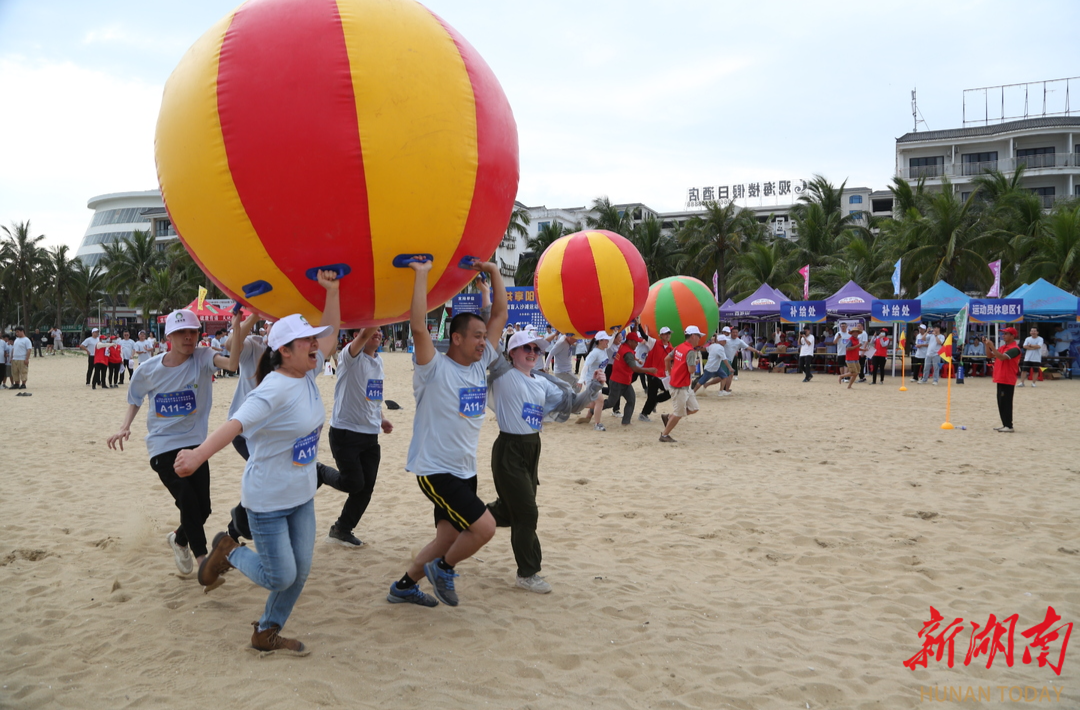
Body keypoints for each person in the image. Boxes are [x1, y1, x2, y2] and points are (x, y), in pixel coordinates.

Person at [173, 273, 340, 654]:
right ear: (285, 351)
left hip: (301, 494)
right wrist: (197, 456)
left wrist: (333, 292)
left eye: (314, 339)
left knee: (300, 572)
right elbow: (234, 425)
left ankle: (266, 631)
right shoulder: (273, 389)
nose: (316, 345)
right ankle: (228, 550)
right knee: (280, 576)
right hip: (268, 500)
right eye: (307, 340)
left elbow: (331, 336)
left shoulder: (307, 370)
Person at [386, 255, 507, 609]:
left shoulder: (480, 365)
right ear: (456, 338)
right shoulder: (433, 368)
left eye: (485, 337)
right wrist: (421, 274)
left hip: (465, 469)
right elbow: (418, 327)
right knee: (484, 528)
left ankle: (404, 587)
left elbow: (499, 315)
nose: (484, 342)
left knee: (447, 538)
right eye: (477, 336)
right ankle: (444, 569)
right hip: (436, 469)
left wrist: (494, 272)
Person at [107, 308, 241, 579]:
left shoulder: (203, 358)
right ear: (169, 336)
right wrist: (124, 426)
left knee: (203, 508)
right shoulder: (148, 369)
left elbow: (232, 364)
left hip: (195, 445)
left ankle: (179, 540)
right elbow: (135, 398)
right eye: (181, 332)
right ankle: (203, 559)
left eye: (193, 332)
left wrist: (237, 324)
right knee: (187, 499)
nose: (188, 337)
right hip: (162, 446)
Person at [486, 331, 604, 593]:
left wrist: (594, 386)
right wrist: (488, 306)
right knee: (527, 513)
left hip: (532, 448)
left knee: (510, 510)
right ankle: (527, 573)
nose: (532, 352)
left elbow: (573, 405)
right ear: (511, 353)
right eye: (526, 348)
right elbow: (491, 339)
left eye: (536, 349)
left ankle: (465, 520)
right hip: (508, 449)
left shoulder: (542, 381)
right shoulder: (503, 373)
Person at [325, 327, 393, 547]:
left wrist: (381, 418)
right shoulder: (350, 356)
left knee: (366, 488)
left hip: (370, 435)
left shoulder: (378, 361)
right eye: (373, 329)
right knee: (353, 483)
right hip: (345, 432)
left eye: (380, 330)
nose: (378, 332)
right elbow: (365, 334)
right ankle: (320, 472)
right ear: (356, 336)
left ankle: (342, 528)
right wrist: (377, 317)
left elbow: (374, 395)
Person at [659, 326, 703, 442]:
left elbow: (667, 359)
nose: (699, 338)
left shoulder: (679, 347)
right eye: (698, 336)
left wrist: (670, 372)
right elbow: (691, 370)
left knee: (694, 408)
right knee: (679, 413)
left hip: (681, 384)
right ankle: (664, 435)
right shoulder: (690, 351)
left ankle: (669, 417)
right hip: (680, 386)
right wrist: (694, 363)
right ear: (693, 336)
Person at [604, 331, 655, 426]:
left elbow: (632, 335)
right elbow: (635, 368)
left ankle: (626, 422)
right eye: (635, 342)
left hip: (625, 381)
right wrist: (649, 370)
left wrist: (635, 325)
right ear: (630, 341)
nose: (637, 344)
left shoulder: (623, 345)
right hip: (618, 381)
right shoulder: (627, 352)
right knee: (610, 403)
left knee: (631, 400)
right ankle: (593, 409)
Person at [983, 327, 1022, 432]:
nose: (1003, 335)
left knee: (1006, 403)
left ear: (1012, 336)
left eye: (1006, 334)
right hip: (1000, 377)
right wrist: (987, 345)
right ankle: (1005, 424)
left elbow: (1001, 357)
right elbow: (989, 355)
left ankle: (1009, 425)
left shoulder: (1015, 349)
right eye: (1003, 333)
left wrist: (992, 346)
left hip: (1007, 378)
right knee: (1001, 402)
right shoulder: (1003, 347)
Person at [576, 332, 613, 431]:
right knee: (600, 401)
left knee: (594, 403)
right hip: (591, 381)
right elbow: (585, 366)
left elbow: (610, 343)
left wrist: (615, 333)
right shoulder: (594, 353)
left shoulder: (604, 350)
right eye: (606, 340)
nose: (608, 341)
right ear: (600, 341)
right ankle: (597, 424)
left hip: (599, 381)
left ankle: (573, 404)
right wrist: (581, 380)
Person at [640, 326, 673, 420]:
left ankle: (654, 402)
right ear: (661, 335)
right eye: (666, 334)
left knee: (670, 392)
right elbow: (644, 336)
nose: (668, 335)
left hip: (663, 375)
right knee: (652, 395)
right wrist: (638, 324)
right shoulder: (654, 342)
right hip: (652, 373)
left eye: (669, 333)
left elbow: (674, 361)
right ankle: (644, 414)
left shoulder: (671, 348)